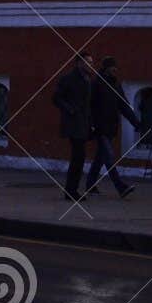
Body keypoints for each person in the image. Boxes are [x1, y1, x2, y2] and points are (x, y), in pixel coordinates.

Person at [87, 57, 141, 199]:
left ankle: (90, 185)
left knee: (100, 158)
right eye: (112, 67)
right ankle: (121, 187)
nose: (115, 69)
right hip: (100, 127)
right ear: (105, 68)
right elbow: (89, 106)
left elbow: (123, 105)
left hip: (110, 127)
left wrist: (136, 123)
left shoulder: (115, 84)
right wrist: (91, 125)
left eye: (115, 67)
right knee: (109, 157)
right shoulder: (97, 83)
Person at [53, 53, 95, 202]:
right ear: (79, 63)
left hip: (83, 123)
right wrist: (70, 109)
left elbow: (89, 105)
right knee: (78, 157)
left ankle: (72, 190)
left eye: (91, 62)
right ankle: (71, 191)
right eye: (88, 62)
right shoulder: (69, 78)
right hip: (73, 123)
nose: (91, 65)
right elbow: (56, 98)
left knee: (79, 158)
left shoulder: (88, 79)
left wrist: (91, 123)